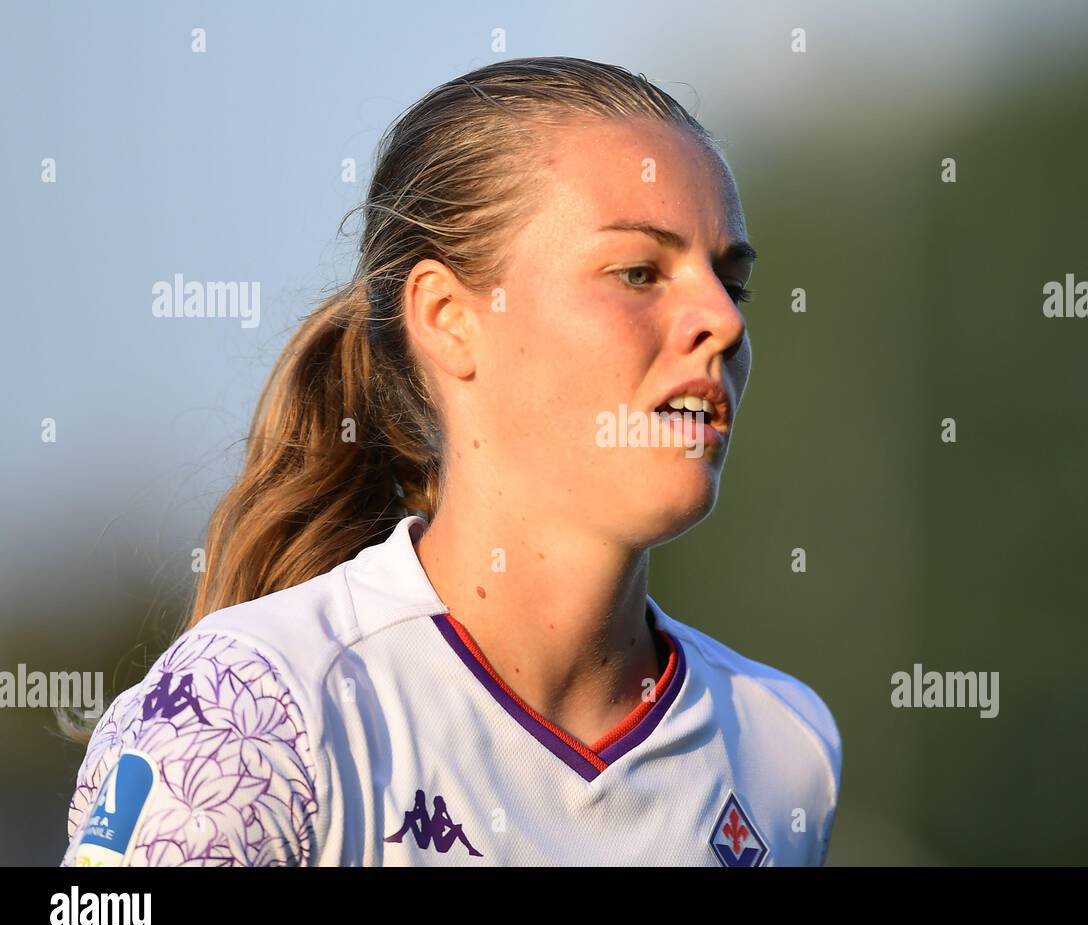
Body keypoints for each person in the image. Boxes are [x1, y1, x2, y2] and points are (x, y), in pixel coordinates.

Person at [58, 56, 841, 867]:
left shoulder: (784, 746)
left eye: (731, 282)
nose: (721, 319)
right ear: (448, 319)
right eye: (639, 273)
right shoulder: (250, 711)